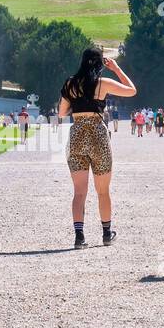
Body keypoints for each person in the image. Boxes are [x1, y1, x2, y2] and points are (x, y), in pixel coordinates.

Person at [58, 49, 136, 249]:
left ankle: (79, 236)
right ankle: (107, 233)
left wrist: (76, 103)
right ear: (100, 64)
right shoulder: (102, 83)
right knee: (103, 191)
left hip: (77, 135)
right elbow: (131, 90)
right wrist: (117, 68)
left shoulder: (71, 83)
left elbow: (61, 112)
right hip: (97, 135)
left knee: (79, 192)